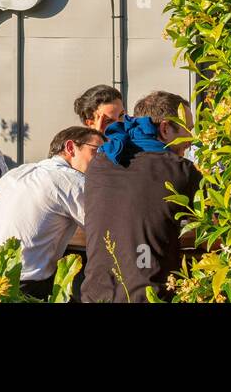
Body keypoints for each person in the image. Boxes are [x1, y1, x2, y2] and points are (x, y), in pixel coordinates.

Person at [81, 90, 200, 303]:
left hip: (96, 295)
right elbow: (215, 228)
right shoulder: (181, 170)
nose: (191, 139)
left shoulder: (100, 162)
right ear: (165, 128)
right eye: (188, 130)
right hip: (149, 296)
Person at [0, 126, 103, 299]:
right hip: (20, 287)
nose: (102, 159)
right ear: (70, 148)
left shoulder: (15, 173)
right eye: (97, 151)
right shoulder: (71, 179)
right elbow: (108, 227)